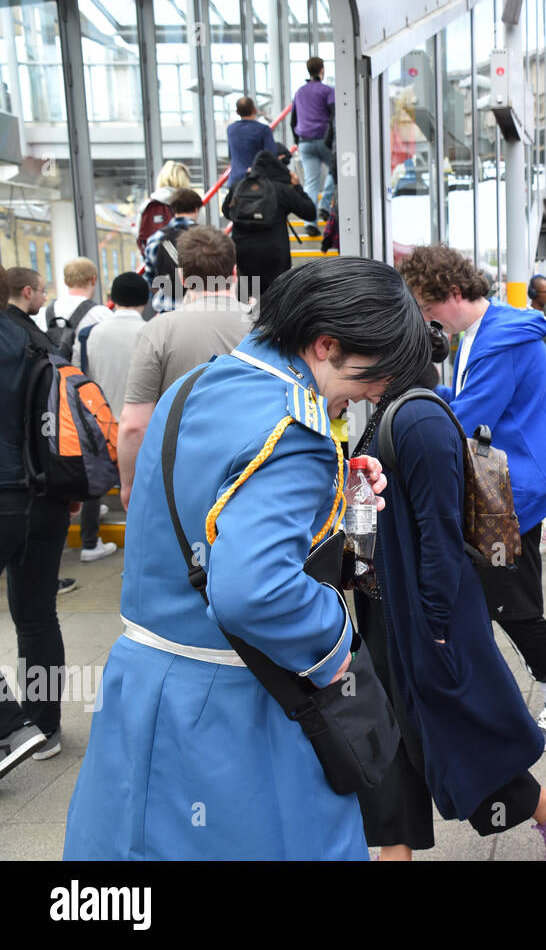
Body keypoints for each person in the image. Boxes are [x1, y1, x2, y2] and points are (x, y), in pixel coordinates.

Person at [64, 259, 430, 859]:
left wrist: (334, 496)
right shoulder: (295, 431)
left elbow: (206, 506)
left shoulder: (197, 384)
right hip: (235, 699)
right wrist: (336, 642)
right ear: (326, 344)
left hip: (144, 677)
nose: (374, 392)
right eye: (375, 374)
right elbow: (255, 591)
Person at [349, 348, 546, 862]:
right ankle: (395, 851)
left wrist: (435, 625)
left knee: (463, 744)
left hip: (425, 618)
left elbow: (440, 533)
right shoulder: (384, 414)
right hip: (386, 613)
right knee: (392, 740)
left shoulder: (416, 416)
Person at [399, 245, 546, 751]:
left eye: (427, 307)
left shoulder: (496, 342)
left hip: (507, 490)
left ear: (454, 294)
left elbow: (466, 417)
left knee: (512, 603)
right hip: (504, 482)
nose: (426, 319)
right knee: (498, 598)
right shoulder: (488, 330)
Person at [117, 226, 252, 512]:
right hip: (253, 475)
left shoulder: (159, 331)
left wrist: (129, 485)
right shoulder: (266, 328)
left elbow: (134, 426)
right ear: (235, 272)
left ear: (181, 277)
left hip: (179, 482)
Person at [0, 268, 69, 776]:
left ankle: (9, 723)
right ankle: (43, 728)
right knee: (37, 614)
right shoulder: (32, 335)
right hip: (44, 492)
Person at [42, 258, 117, 563]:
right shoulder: (100, 314)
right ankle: (90, 540)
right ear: (93, 279)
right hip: (85, 395)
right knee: (91, 455)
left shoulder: (46, 310)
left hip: (50, 394)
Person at [222, 147, 317, 299]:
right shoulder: (281, 189)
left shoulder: (238, 186)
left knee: (246, 297)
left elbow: (227, 212)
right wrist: (297, 186)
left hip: (243, 252)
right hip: (274, 253)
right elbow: (310, 212)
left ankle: (246, 321)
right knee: (276, 298)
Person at [86, 272, 151, 417]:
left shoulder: (89, 334)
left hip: (98, 423)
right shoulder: (153, 333)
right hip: (141, 422)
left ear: (113, 299)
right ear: (146, 300)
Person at [142, 188, 202, 316]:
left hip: (167, 309)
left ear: (173, 209)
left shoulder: (156, 238)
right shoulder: (207, 238)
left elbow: (150, 278)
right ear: (197, 209)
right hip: (199, 308)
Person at [292, 57, 336, 221]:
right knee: (335, 170)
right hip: (324, 139)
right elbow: (334, 115)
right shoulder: (328, 91)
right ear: (322, 70)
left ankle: (310, 221)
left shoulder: (299, 92)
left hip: (305, 141)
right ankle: (324, 205)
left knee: (311, 182)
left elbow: (293, 120)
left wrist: (298, 141)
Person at [136, 161, 193, 257]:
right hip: (183, 264)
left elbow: (138, 236)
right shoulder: (189, 205)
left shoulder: (147, 206)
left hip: (155, 263)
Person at [224, 96, 276, 191]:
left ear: (237, 112)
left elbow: (231, 155)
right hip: (256, 182)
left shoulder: (231, 129)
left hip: (235, 182)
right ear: (255, 110)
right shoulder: (264, 130)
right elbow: (271, 156)